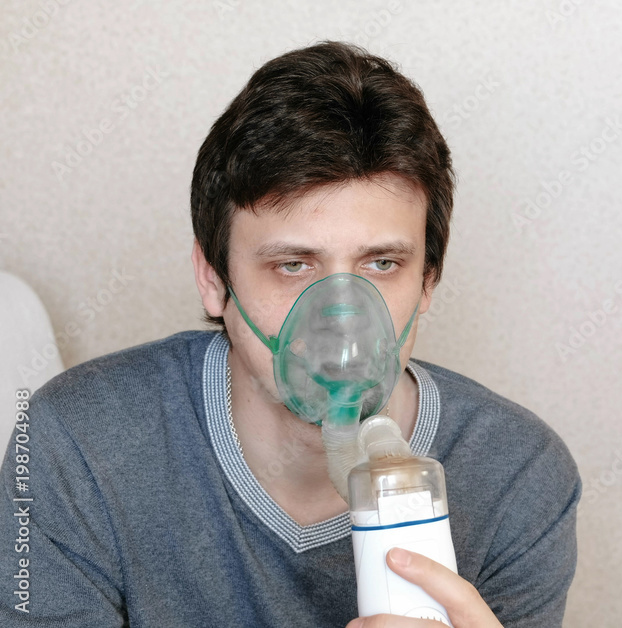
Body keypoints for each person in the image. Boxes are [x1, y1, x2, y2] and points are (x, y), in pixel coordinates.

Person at [0, 41, 580, 627]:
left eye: (382, 264)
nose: (340, 317)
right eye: (293, 265)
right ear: (214, 279)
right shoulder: (78, 445)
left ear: (428, 280)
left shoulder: (517, 479)